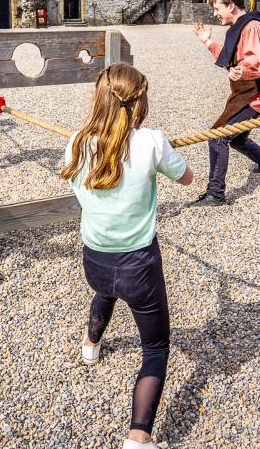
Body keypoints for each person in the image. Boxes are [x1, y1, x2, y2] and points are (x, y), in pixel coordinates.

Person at [60, 63, 195, 449]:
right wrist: (163, 154)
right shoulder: (152, 141)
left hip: (95, 261)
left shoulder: (76, 141)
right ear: (139, 102)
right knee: (155, 347)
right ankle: (138, 437)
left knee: (106, 292)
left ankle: (90, 346)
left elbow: (77, 184)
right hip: (139, 265)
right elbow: (187, 179)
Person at [187, 0, 260, 207]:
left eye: (217, 8)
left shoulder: (254, 27)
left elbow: (255, 62)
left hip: (256, 94)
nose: (215, 13)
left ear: (231, 5)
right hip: (247, 92)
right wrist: (207, 41)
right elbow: (231, 57)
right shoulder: (242, 27)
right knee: (237, 138)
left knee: (218, 136)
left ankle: (215, 194)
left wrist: (242, 70)